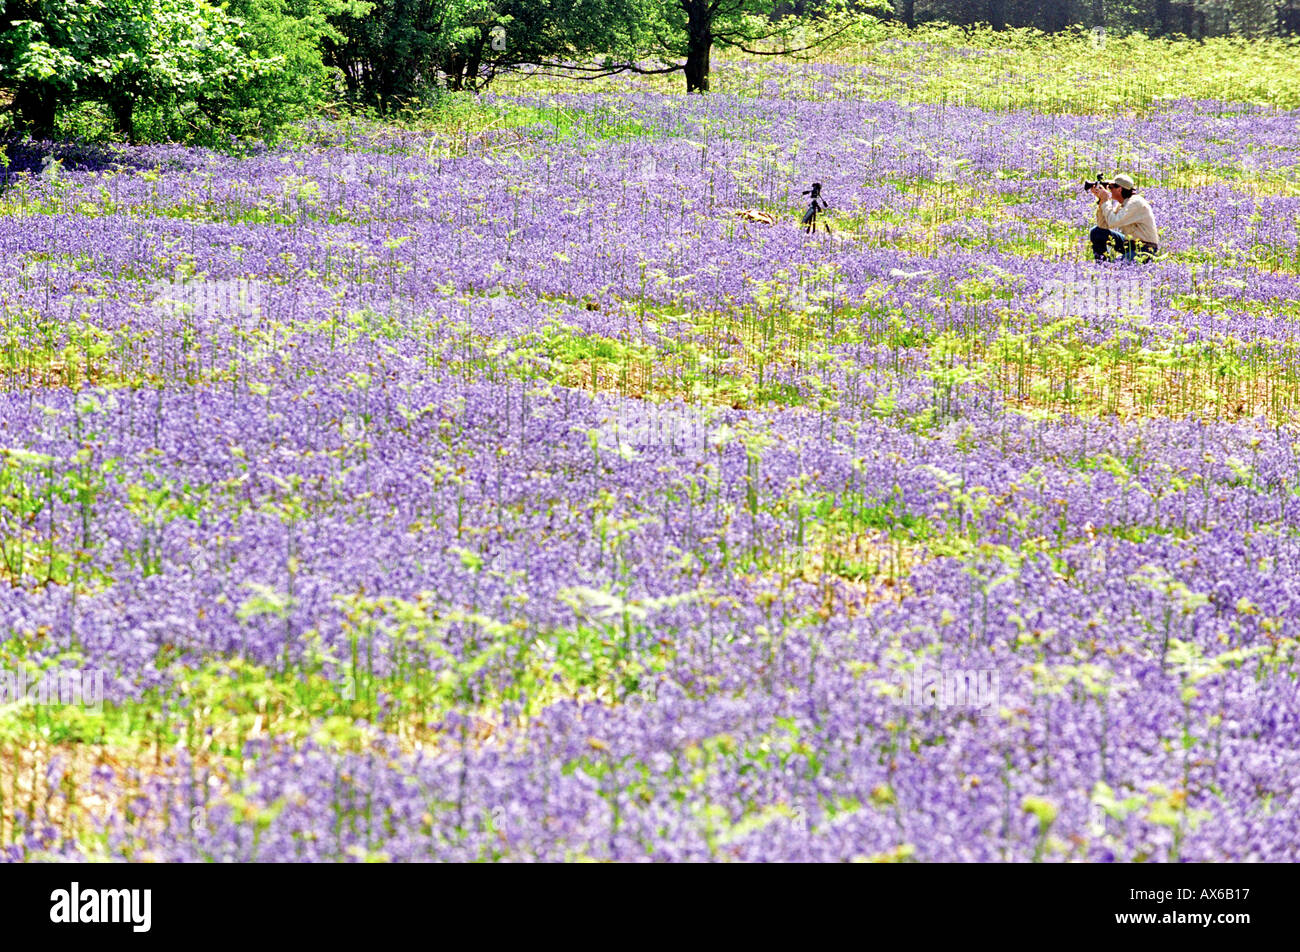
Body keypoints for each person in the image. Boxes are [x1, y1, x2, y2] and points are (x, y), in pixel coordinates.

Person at [1088, 173, 1159, 263]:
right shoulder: (1123, 204)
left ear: (1119, 189)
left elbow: (1113, 223)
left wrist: (1106, 200)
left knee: (1122, 265)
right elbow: (1103, 226)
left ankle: (1112, 268)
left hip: (1145, 248)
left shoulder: (1135, 203)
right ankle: (1102, 265)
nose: (1109, 190)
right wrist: (1101, 201)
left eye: (1111, 187)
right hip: (1130, 243)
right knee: (1097, 232)